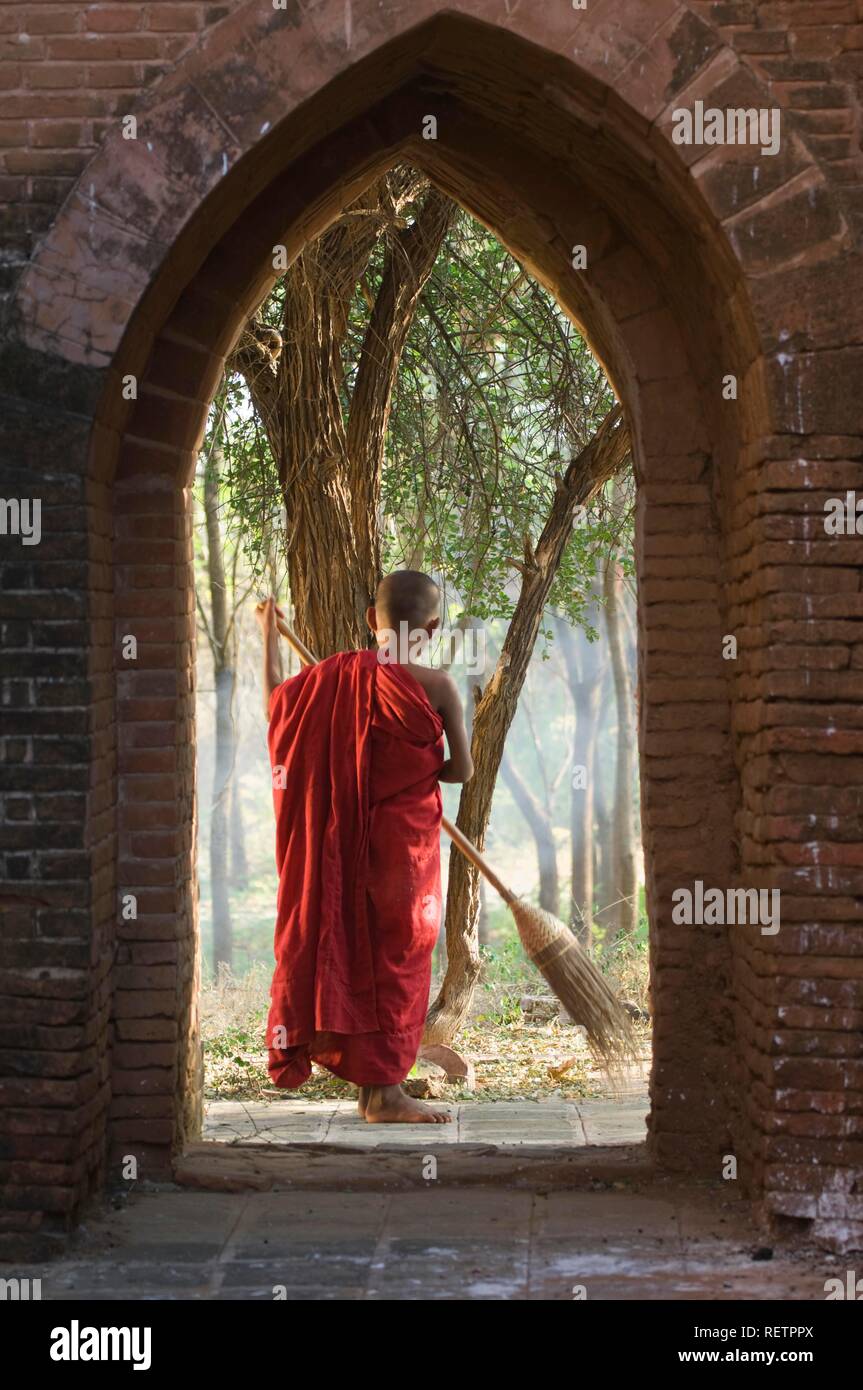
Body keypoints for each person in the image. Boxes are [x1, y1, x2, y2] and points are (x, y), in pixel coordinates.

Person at [256, 571, 473, 1123]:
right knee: (397, 955)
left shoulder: (334, 678)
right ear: (433, 626)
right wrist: (418, 770)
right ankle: (382, 1095)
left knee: (351, 944)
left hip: (342, 848)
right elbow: (461, 770)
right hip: (404, 853)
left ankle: (375, 1091)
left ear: (369, 622)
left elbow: (275, 711)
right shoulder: (440, 686)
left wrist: (266, 634)